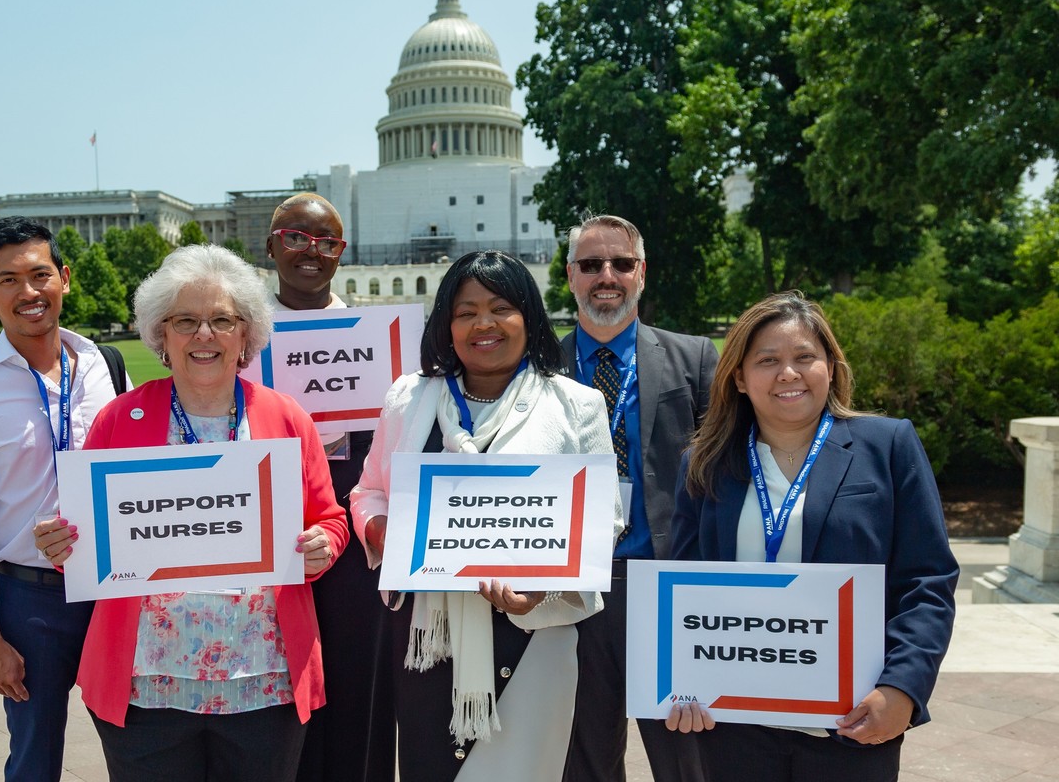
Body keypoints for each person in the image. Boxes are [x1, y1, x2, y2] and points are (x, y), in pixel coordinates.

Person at [34, 243, 348, 782]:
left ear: (245, 335)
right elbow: (86, 539)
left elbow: (331, 518)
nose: (204, 335)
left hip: (263, 681)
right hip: (146, 687)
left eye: (222, 320)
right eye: (186, 321)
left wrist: (323, 544)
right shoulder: (119, 420)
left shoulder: (285, 416)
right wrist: (63, 546)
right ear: (162, 335)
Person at [350, 249, 621, 782]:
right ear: (446, 325)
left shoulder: (575, 404)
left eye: (501, 307)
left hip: (532, 633)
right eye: (465, 311)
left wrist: (542, 586)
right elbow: (368, 491)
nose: (484, 324)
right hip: (428, 643)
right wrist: (383, 530)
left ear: (529, 317)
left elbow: (602, 519)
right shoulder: (408, 398)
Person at [667, 292, 958, 782]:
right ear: (739, 377)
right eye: (767, 361)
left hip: (853, 724)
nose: (788, 373)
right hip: (735, 728)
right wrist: (680, 685)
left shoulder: (888, 446)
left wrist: (902, 688)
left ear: (830, 366)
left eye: (805, 357)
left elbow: (927, 582)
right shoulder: (704, 465)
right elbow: (682, 592)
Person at [0, 217, 125, 782]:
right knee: (35, 760)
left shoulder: (100, 367)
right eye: (8, 280)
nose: (28, 292)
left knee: (144, 745)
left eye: (40, 274)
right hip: (31, 602)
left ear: (64, 278)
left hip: (114, 588)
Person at [559, 214, 716, 782]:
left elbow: (725, 474)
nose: (608, 275)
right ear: (570, 275)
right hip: (576, 594)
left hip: (667, 589)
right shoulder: (534, 370)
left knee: (688, 758)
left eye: (621, 264)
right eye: (592, 264)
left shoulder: (694, 360)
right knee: (586, 760)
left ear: (642, 273)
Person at [268, 194, 395, 782]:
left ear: (342, 254)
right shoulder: (241, 337)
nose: (310, 253)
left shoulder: (379, 340)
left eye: (326, 243)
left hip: (352, 534)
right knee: (281, 685)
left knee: (356, 684)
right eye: (296, 237)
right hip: (270, 532)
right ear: (271, 245)